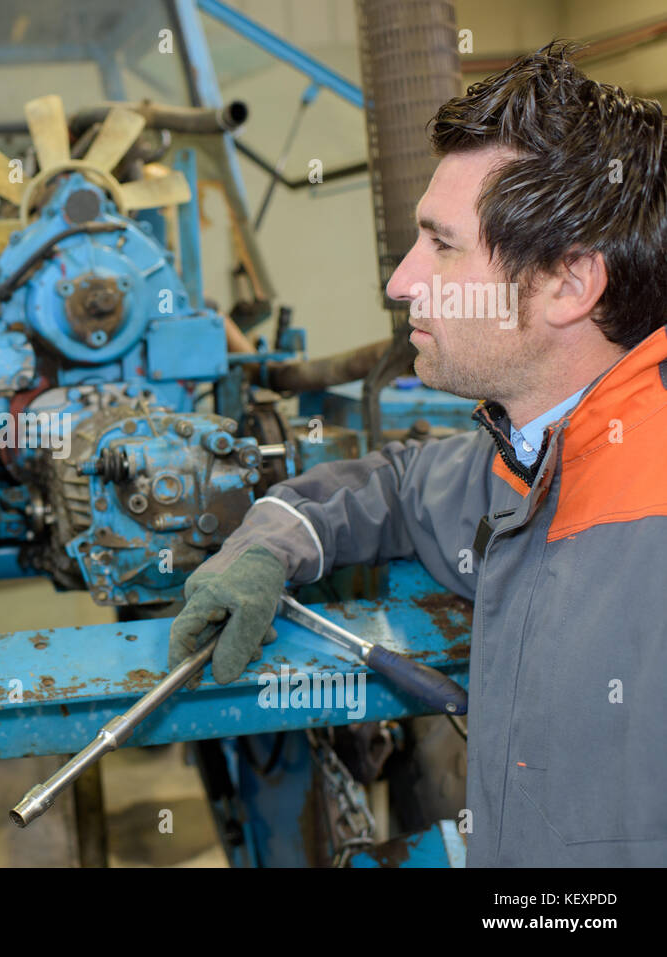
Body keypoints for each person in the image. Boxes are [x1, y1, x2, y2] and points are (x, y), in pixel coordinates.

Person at [168, 41, 667, 866]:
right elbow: (396, 485)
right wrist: (267, 543)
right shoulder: (527, 455)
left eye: (441, 245)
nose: (403, 281)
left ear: (570, 285)